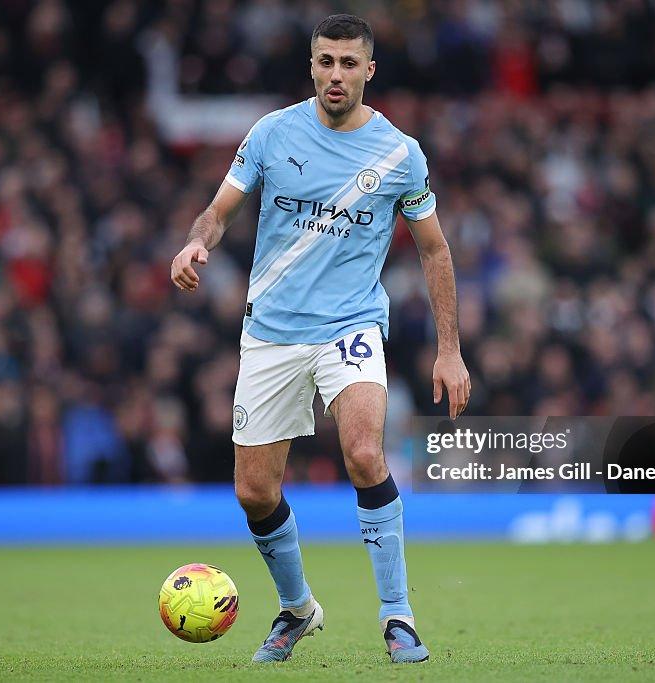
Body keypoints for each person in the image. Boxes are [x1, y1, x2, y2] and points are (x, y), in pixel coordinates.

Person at [170, 13, 470, 664]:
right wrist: (197, 240)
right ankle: (298, 608)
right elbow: (219, 210)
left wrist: (448, 347)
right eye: (325, 61)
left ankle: (398, 615)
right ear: (312, 65)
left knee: (364, 452)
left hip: (352, 323)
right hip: (273, 330)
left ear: (369, 70)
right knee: (254, 490)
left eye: (348, 63)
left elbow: (435, 250)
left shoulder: (399, 154)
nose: (336, 74)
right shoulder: (272, 133)